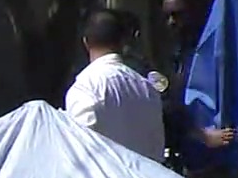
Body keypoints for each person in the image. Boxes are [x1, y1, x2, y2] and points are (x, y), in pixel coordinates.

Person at [64, 10, 166, 162]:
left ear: (85, 42)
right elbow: (157, 149)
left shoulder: (85, 88)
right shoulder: (147, 88)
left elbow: (80, 151)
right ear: (122, 42)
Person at [160, 0, 236, 178]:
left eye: (178, 15)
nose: (171, 23)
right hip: (189, 155)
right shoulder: (177, 56)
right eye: (168, 16)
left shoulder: (219, 52)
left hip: (221, 158)